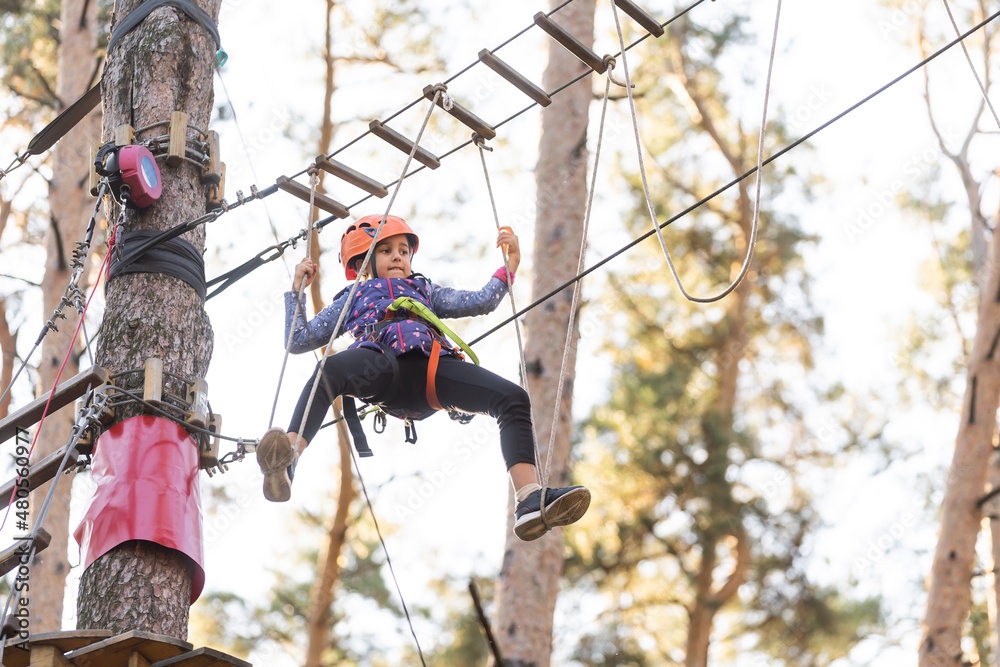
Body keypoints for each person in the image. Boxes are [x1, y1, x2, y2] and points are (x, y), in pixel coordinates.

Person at [256, 214, 590, 541]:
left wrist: (509, 266)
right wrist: (297, 291)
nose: (398, 256)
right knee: (329, 369)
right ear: (361, 264)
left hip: (433, 370)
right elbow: (298, 340)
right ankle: (288, 457)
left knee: (513, 398)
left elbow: (481, 301)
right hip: (382, 367)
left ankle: (529, 499)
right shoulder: (351, 297)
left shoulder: (424, 289)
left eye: (403, 250)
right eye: (385, 251)